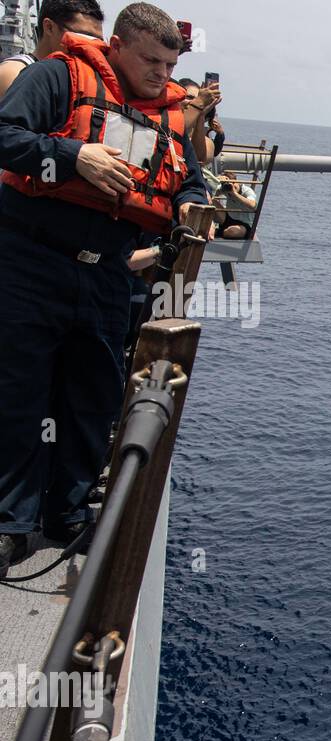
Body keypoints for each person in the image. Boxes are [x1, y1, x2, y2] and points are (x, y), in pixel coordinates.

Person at [0, 2, 210, 578]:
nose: (162, 75)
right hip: (30, 263)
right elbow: (4, 136)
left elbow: (189, 180)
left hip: (108, 276)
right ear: (117, 45)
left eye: (170, 65)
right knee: (20, 394)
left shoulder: (166, 115)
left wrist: (190, 203)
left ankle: (67, 515)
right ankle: (10, 525)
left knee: (91, 398)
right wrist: (72, 155)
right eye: (151, 61)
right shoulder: (58, 78)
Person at [0, 0, 104, 100]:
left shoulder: (79, 80)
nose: (91, 45)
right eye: (81, 36)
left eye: (98, 40)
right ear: (49, 27)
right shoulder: (13, 74)